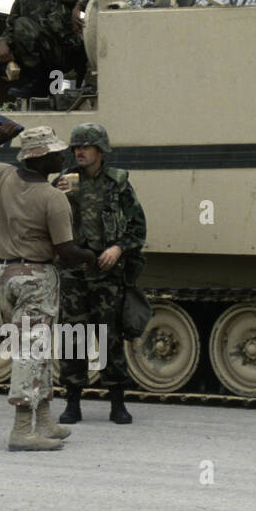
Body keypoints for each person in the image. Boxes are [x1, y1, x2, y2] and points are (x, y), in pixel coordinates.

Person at [0, 121, 96, 451]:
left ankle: (45, 421)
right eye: (55, 154)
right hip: (37, 278)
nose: (63, 157)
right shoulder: (54, 198)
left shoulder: (3, 177)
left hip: (5, 275)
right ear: (40, 160)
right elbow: (66, 252)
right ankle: (23, 429)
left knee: (36, 349)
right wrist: (91, 256)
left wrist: (1, 136)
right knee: (31, 352)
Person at [56, 122, 147, 425]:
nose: (79, 151)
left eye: (85, 146)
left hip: (107, 273)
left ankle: (117, 403)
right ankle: (72, 403)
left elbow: (137, 227)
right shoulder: (65, 182)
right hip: (75, 273)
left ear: (100, 150)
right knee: (73, 337)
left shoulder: (117, 183)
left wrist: (119, 248)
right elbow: (51, 222)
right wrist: (58, 196)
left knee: (109, 338)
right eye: (76, 147)